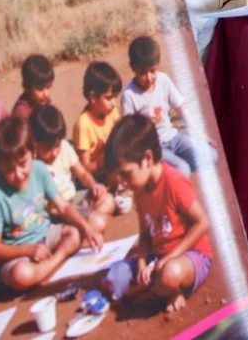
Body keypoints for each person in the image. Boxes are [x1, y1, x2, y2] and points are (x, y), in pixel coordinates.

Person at [99, 114, 214, 316]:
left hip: (190, 256)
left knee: (170, 274)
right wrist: (143, 262)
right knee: (114, 276)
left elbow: (202, 222)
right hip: (157, 258)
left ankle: (154, 292)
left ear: (148, 158)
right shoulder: (140, 189)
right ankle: (158, 291)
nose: (123, 182)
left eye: (126, 174)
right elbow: (145, 234)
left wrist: (169, 257)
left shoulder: (174, 182)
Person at [0, 116, 103, 292]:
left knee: (75, 234)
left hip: (46, 235)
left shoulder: (39, 169)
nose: (19, 174)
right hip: (20, 251)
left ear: (33, 152)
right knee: (21, 275)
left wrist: (86, 227)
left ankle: (47, 267)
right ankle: (57, 262)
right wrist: (28, 251)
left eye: (23, 164)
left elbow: (63, 206)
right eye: (9, 169)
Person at [121, 35, 216, 175]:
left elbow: (180, 107)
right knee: (182, 169)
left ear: (158, 65)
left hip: (173, 137)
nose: (149, 77)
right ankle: (165, 171)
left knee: (211, 155)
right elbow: (129, 132)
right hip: (153, 147)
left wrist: (197, 133)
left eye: (152, 70)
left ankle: (169, 170)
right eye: (142, 73)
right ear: (133, 68)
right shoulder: (129, 95)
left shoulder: (163, 80)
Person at [28, 103, 115, 219]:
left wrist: (93, 185)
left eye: (57, 146)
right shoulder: (33, 164)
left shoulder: (64, 147)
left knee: (108, 200)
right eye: (48, 148)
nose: (54, 152)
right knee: (95, 219)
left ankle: (88, 225)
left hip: (74, 198)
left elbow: (82, 173)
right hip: (57, 209)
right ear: (34, 143)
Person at [71, 61, 121, 176]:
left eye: (115, 97)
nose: (114, 103)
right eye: (109, 98)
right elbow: (85, 167)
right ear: (93, 97)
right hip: (95, 173)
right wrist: (102, 162)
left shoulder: (111, 112)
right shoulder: (83, 125)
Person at [10, 54, 54, 121]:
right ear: (26, 87)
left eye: (48, 87)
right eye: (40, 89)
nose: (46, 93)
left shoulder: (43, 100)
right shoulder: (22, 113)